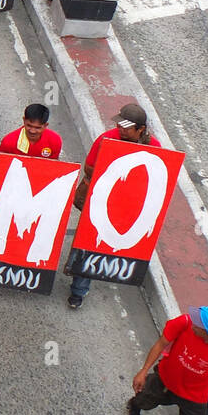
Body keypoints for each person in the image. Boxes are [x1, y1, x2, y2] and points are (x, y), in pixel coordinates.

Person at [67, 102, 162, 309]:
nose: (121, 129)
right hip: (101, 202)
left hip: (130, 207)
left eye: (127, 127)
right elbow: (89, 167)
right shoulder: (106, 139)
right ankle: (78, 290)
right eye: (120, 125)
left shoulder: (155, 148)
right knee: (91, 245)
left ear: (141, 130)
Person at [0, 103, 64, 159]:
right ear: (24, 120)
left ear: (45, 125)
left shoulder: (55, 141)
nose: (32, 131)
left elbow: (53, 166)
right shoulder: (8, 142)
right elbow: (3, 166)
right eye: (29, 126)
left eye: (37, 128)